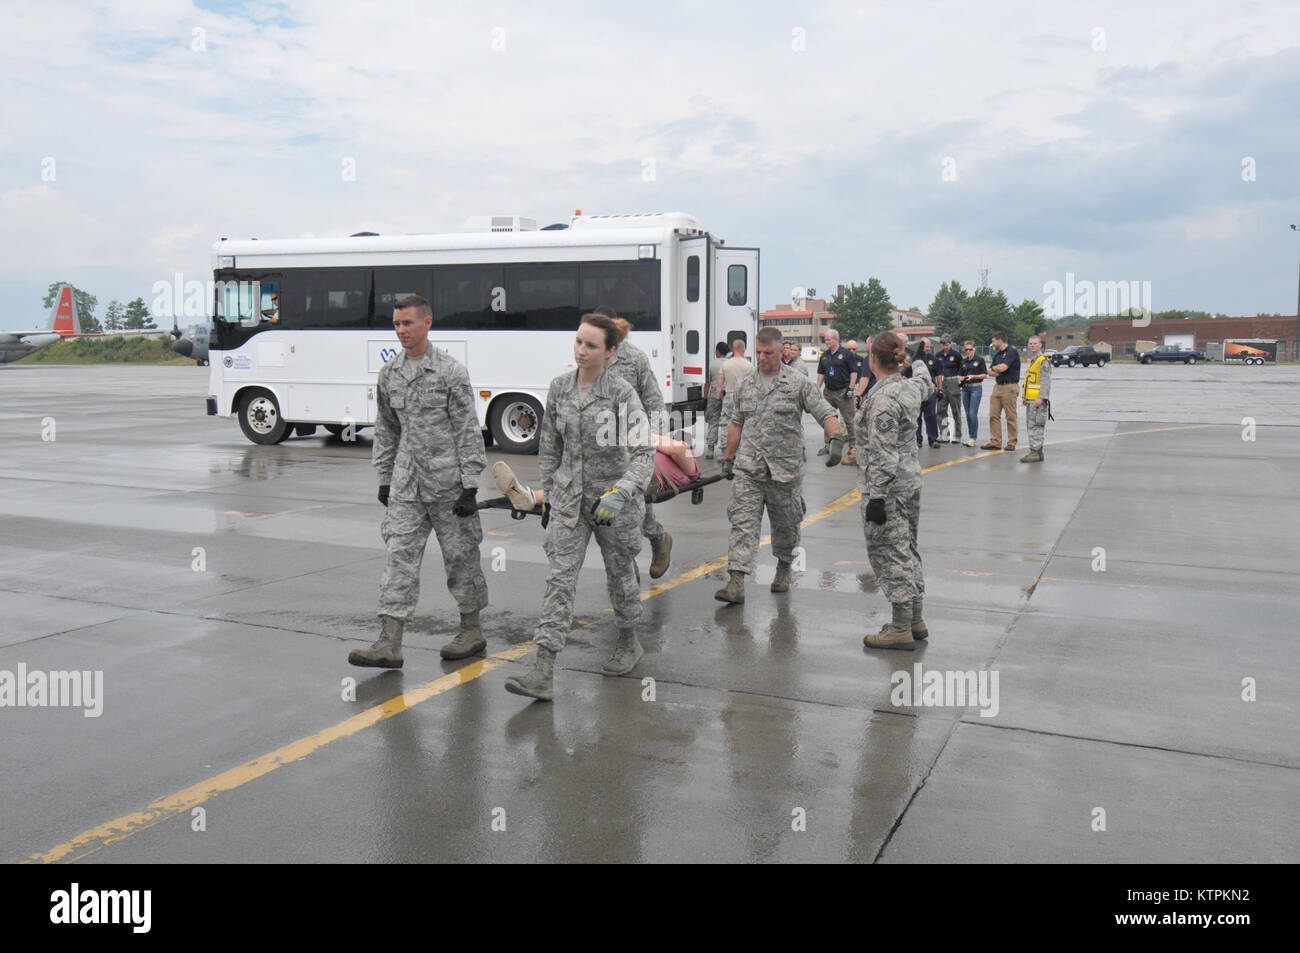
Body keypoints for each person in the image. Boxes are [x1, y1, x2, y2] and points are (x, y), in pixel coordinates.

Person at [504, 313, 655, 702]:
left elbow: (643, 452)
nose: (581, 351)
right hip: (570, 501)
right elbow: (550, 447)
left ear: (610, 351)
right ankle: (542, 670)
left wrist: (622, 491)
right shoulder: (559, 388)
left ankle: (628, 639)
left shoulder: (622, 393)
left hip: (613, 505)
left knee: (620, 576)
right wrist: (550, 497)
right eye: (578, 342)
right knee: (559, 580)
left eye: (591, 345)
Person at [349, 295, 489, 668]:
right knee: (399, 559)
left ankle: (472, 630)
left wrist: (471, 484)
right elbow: (386, 429)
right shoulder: (390, 374)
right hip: (407, 486)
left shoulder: (449, 371)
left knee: (461, 560)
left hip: (449, 487)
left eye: (407, 323)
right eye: (396, 324)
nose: (401, 331)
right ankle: (389, 642)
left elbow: (467, 430)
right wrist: (384, 477)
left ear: (427, 323)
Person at [716, 327, 841, 603]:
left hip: (785, 471)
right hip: (749, 469)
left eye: (767, 353)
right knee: (742, 522)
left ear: (780, 350)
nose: (761, 358)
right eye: (758, 353)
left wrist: (836, 439)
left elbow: (825, 411)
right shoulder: (746, 383)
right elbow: (736, 422)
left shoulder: (797, 382)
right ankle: (736, 581)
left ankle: (784, 568)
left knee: (786, 527)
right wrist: (728, 457)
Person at [857, 331, 935, 650]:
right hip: (910, 481)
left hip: (888, 487)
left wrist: (876, 496)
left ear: (873, 359)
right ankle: (915, 618)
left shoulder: (884, 399)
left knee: (892, 552)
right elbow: (926, 381)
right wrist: (915, 359)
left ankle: (901, 627)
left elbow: (883, 454)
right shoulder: (911, 387)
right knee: (908, 548)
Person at [602, 310, 673, 578]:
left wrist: (652, 443)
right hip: (603, 450)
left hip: (634, 448)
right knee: (611, 514)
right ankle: (628, 571)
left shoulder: (634, 358)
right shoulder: (589, 359)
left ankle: (657, 539)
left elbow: (654, 402)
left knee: (635, 508)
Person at [492, 434, 700, 511]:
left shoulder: (690, 465)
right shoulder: (661, 450)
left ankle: (530, 496)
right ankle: (528, 496)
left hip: (647, 477)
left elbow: (677, 448)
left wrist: (655, 439)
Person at [816, 329, 857, 462]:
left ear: (835, 339)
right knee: (827, 418)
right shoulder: (825, 355)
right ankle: (828, 445)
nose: (826, 342)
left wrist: (851, 388)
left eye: (828, 340)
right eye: (825, 340)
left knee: (849, 420)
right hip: (828, 392)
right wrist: (817, 388)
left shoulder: (846, 354)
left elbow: (854, 372)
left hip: (843, 392)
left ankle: (853, 446)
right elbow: (821, 373)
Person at [983, 331, 1021, 451]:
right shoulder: (998, 355)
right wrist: (997, 369)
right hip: (998, 386)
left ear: (1000, 340)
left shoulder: (1011, 351)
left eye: (994, 340)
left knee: (1010, 416)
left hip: (1009, 387)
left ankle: (1011, 442)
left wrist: (997, 369)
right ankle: (995, 441)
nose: (992, 343)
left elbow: (1003, 367)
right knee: (993, 415)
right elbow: (989, 371)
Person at [1019, 335, 1052, 463]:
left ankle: (1034, 452)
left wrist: (1041, 397)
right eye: (1030, 343)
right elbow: (1031, 380)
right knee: (1031, 425)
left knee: (1036, 426)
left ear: (1040, 345)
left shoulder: (1042, 360)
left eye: (1034, 343)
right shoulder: (1033, 360)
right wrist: (1024, 396)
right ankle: (1038, 451)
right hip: (1030, 399)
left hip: (1037, 401)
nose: (1032, 345)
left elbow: (1045, 381)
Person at [716, 338, 753, 445]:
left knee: (725, 423)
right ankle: (739, 448)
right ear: (744, 349)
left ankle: (724, 448)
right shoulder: (749, 365)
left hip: (729, 396)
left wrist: (718, 397)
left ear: (732, 349)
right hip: (744, 397)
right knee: (742, 423)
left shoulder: (725, 364)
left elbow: (720, 384)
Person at [958, 339, 988, 447]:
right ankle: (971, 437)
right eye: (966, 350)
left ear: (974, 349)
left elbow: (985, 375)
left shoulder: (980, 360)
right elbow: (960, 374)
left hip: (976, 388)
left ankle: (974, 438)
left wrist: (973, 376)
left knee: (972, 413)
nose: (968, 351)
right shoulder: (963, 362)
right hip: (965, 388)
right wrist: (961, 378)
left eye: (970, 349)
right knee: (967, 414)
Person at [934, 335, 964, 443]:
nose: (945, 347)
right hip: (942, 382)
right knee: (941, 410)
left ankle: (957, 435)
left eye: (947, 344)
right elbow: (936, 369)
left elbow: (962, 368)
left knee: (956, 410)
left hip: (953, 382)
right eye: (943, 344)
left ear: (950, 344)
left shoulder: (956, 355)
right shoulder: (938, 355)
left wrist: (959, 379)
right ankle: (944, 434)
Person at [913, 338, 942, 449]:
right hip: (917, 392)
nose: (928, 348)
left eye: (929, 346)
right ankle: (918, 440)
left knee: (931, 416)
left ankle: (933, 439)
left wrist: (940, 389)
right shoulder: (915, 359)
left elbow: (939, 375)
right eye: (926, 346)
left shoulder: (933, 359)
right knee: (917, 416)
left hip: (930, 392)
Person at [704, 341, 729, 458]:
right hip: (727, 392)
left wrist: (704, 397)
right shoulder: (730, 363)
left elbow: (707, 382)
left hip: (714, 392)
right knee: (725, 420)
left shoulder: (712, 364)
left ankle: (710, 449)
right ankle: (724, 450)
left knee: (713, 420)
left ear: (718, 351)